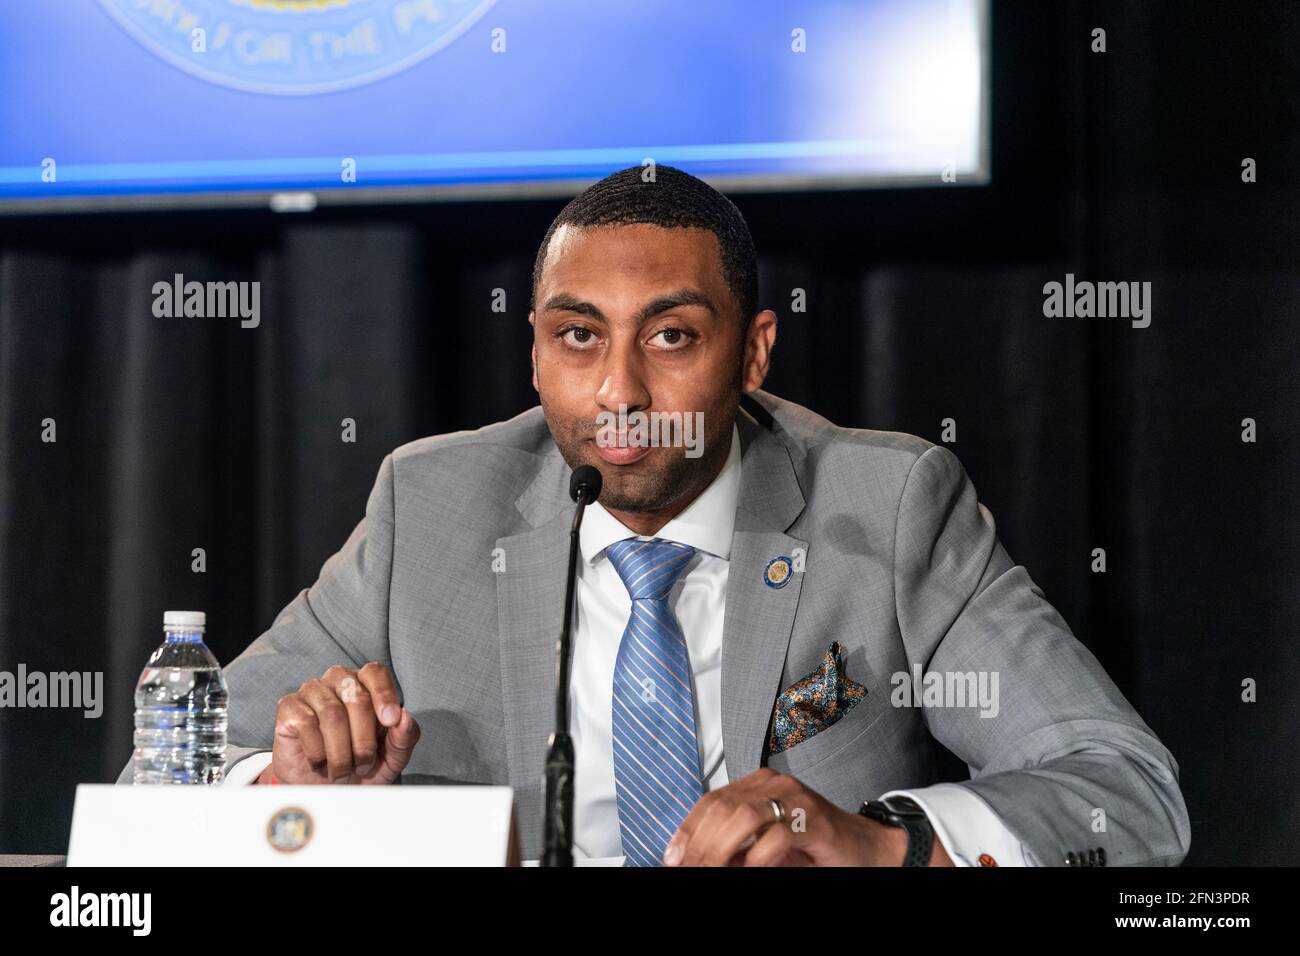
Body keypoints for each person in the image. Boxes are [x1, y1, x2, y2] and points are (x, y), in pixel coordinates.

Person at [116, 164, 1190, 867]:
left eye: (671, 336)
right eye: (579, 338)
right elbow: (156, 783)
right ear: (534, 350)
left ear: (754, 350)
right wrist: (285, 799)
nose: (619, 390)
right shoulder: (430, 505)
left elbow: (1125, 792)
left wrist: (887, 846)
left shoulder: (890, 504)